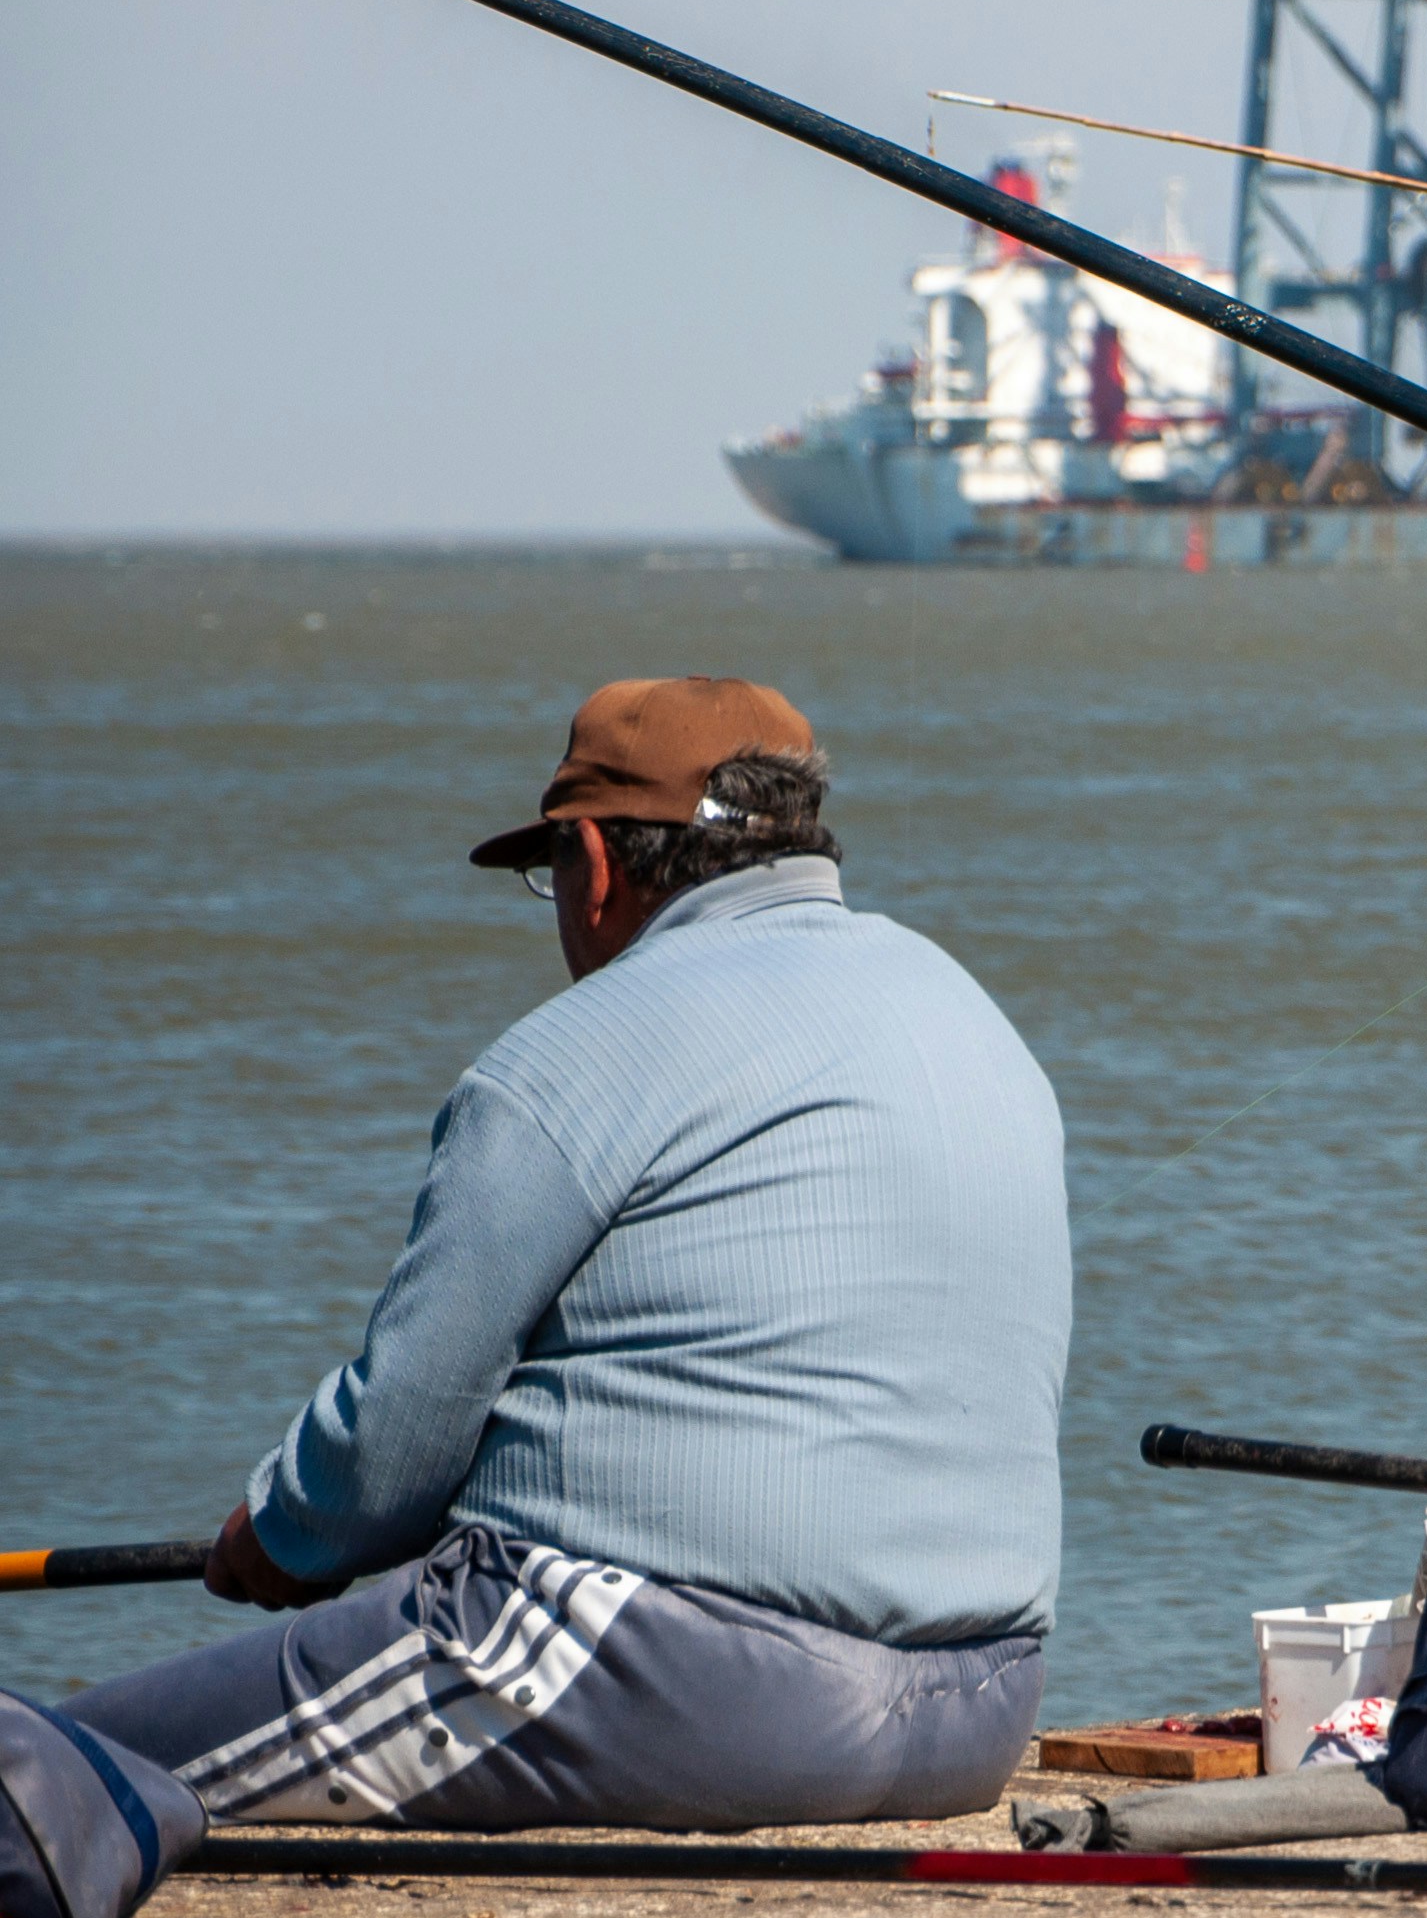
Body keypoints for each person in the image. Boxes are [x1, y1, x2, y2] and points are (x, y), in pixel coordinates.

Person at [65, 678, 1071, 1826]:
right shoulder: (968, 1014)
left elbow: (396, 1441)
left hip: (672, 1689)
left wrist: (284, 1531)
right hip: (978, 1710)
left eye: (548, 871)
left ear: (592, 861)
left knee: (55, 1778)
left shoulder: (571, 1054)